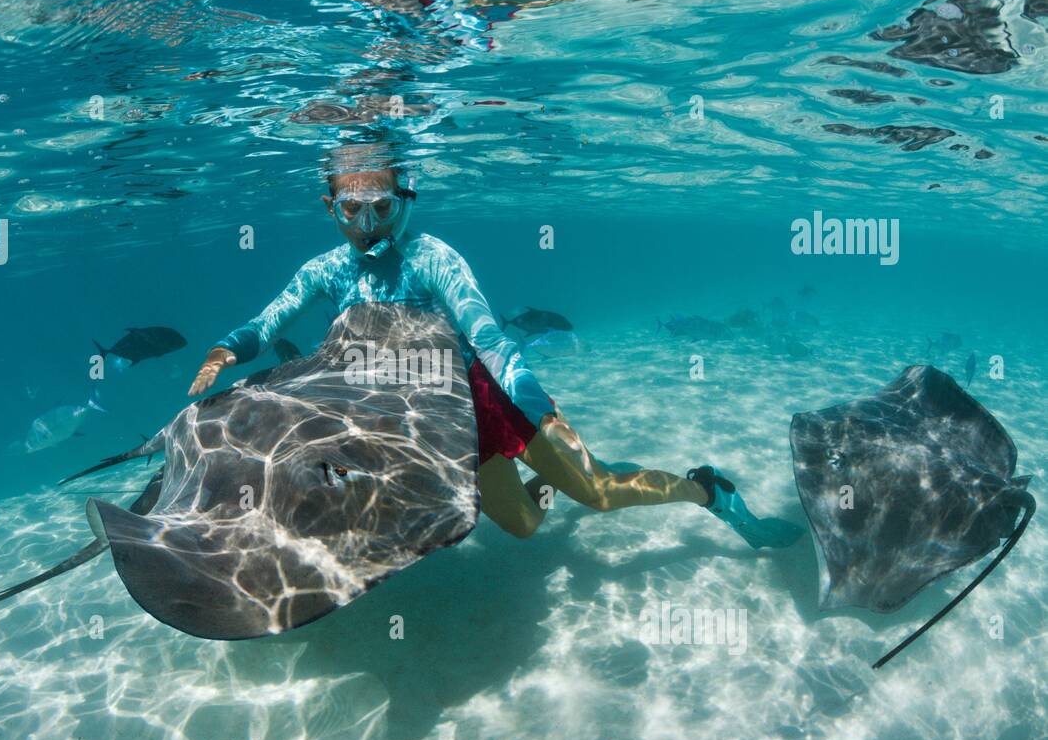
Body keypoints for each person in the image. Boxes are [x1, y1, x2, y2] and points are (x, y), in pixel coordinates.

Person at [189, 142, 799, 548]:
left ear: (403, 200)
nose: (369, 226)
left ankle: (706, 489)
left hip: (488, 397)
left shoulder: (434, 258)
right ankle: (536, 488)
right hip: (423, 424)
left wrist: (529, 396)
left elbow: (485, 333)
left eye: (382, 208)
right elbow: (271, 320)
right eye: (353, 211)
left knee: (600, 492)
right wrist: (225, 351)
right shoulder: (325, 270)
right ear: (330, 208)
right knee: (527, 529)